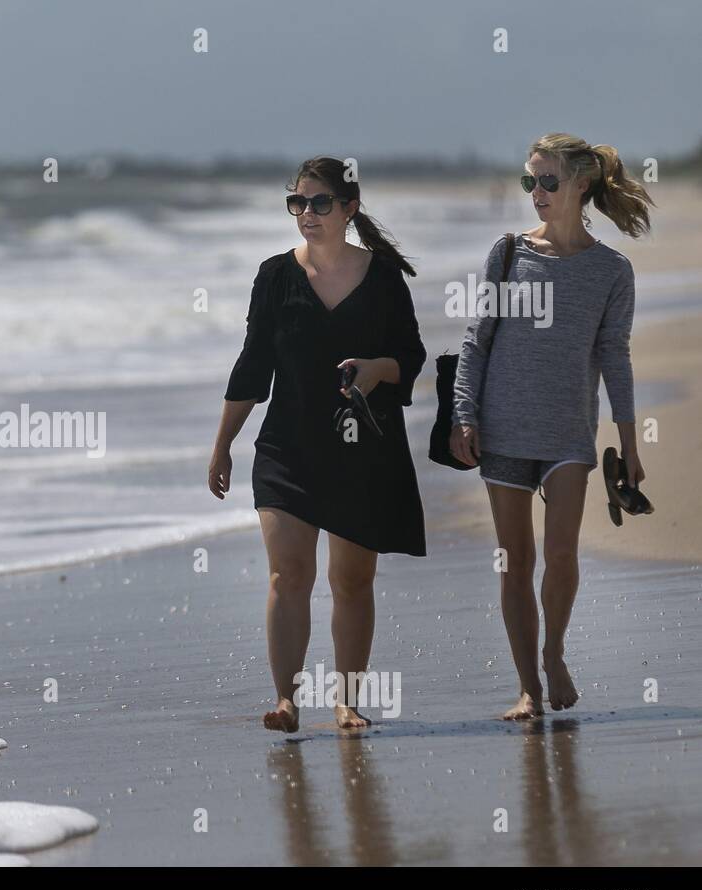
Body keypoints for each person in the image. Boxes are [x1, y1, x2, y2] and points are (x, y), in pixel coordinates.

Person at [209, 156, 427, 733]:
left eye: (319, 203)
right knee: (288, 574)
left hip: (363, 448)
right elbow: (253, 365)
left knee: (351, 581)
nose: (306, 213)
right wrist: (223, 443)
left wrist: (375, 371)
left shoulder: (381, 277)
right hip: (288, 447)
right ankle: (286, 699)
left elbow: (410, 359)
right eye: (297, 203)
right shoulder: (274, 276)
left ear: (349, 208)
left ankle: (348, 702)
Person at [451, 133, 654, 720]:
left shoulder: (612, 270)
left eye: (548, 181)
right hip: (503, 427)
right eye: (529, 181)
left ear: (580, 185)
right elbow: (477, 340)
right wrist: (465, 413)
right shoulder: (510, 252)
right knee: (516, 560)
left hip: (569, 431)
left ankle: (555, 654)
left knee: (561, 553)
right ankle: (527, 690)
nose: (536, 193)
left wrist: (628, 439)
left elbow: (615, 353)